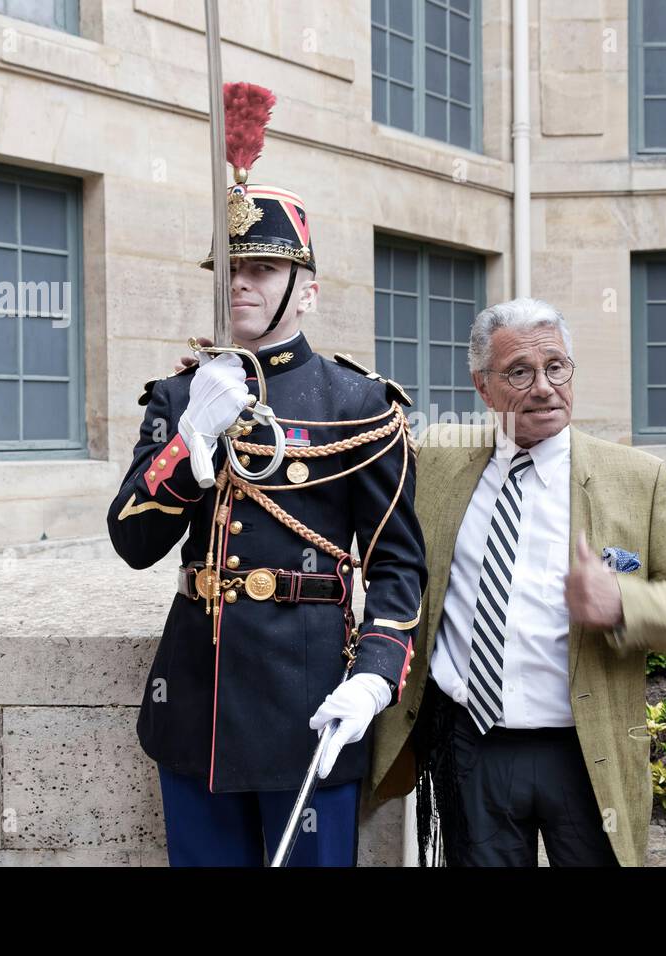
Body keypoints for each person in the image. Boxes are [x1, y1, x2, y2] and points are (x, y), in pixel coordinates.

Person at [107, 83, 426, 867]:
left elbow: (397, 567)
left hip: (311, 697)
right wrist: (190, 440)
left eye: (262, 266)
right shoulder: (180, 395)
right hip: (199, 699)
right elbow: (132, 541)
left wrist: (377, 675)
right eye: (231, 267)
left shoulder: (359, 404)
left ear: (306, 290)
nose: (241, 281)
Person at [368, 297, 666, 867]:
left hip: (586, 751)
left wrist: (622, 603)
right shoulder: (434, 462)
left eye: (557, 367)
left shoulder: (637, 478)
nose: (544, 388)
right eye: (519, 373)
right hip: (469, 747)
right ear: (482, 388)